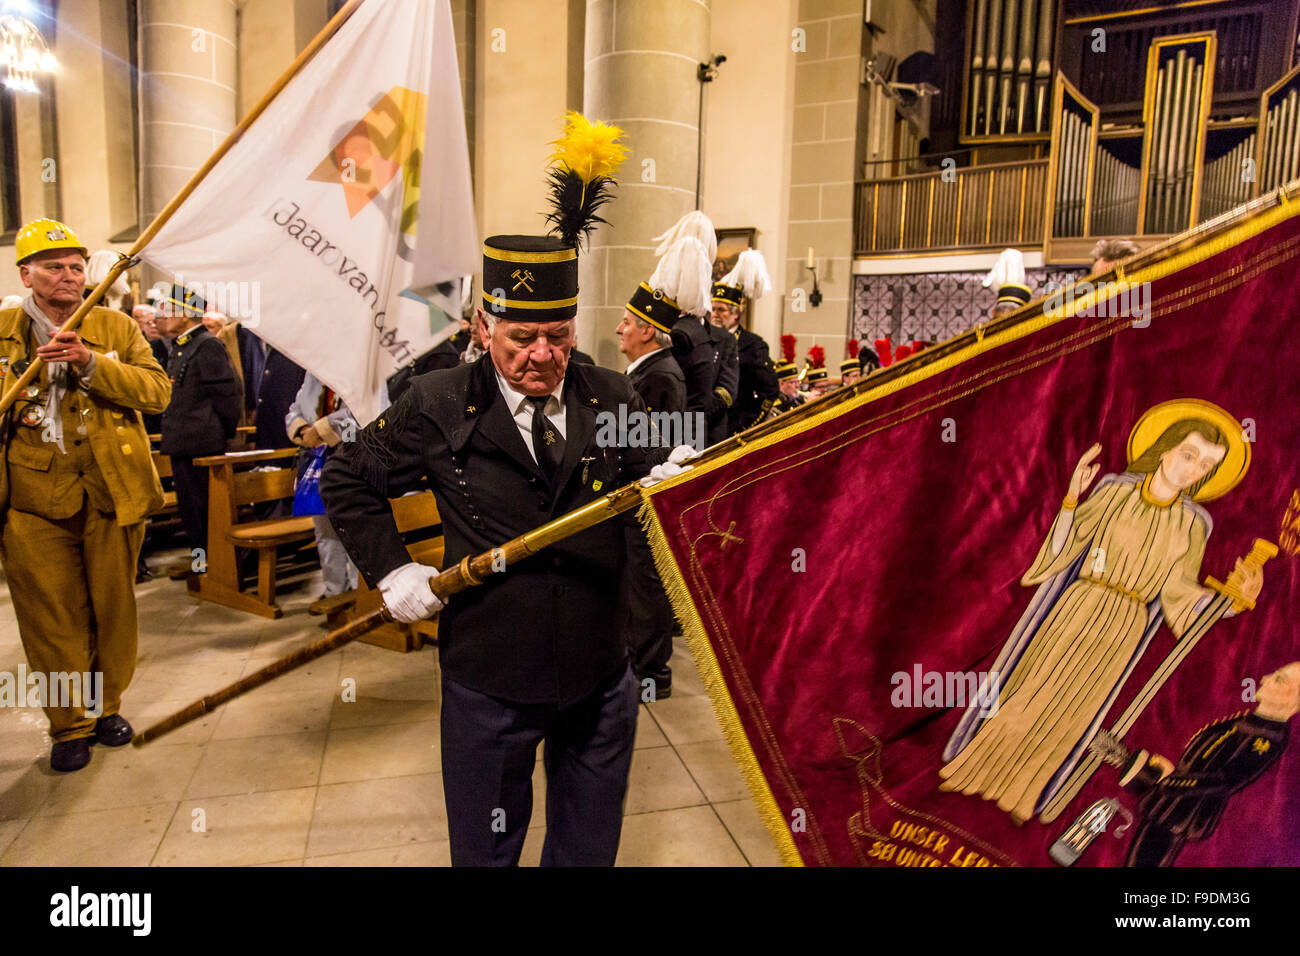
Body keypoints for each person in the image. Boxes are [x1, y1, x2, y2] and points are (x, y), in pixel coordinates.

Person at [322, 230, 690, 867]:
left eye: (560, 333)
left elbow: (658, 467)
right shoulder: (436, 400)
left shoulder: (613, 394)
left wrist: (677, 478)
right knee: (486, 849)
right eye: (523, 338)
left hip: (599, 669)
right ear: (484, 326)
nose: (543, 355)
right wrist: (391, 569)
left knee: (588, 845)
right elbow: (349, 475)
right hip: (488, 675)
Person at [941, 404, 1263, 823]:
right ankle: (975, 771)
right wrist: (1073, 496)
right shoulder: (1115, 491)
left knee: (1073, 713)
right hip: (1079, 606)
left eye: (1205, 465)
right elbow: (1067, 544)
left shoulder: (1193, 525)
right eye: (1189, 454)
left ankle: (1021, 794)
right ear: (1165, 449)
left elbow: (1181, 595)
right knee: (1029, 692)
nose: (1193, 470)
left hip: (1123, 628)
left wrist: (1235, 601)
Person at [0, 219, 170, 772]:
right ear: (25, 274)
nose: (69, 276)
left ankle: (106, 709)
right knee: (51, 615)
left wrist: (92, 364)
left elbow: (158, 392)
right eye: (54, 266)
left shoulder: (115, 327)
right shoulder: (3, 329)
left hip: (109, 487)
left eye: (76, 266)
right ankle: (69, 724)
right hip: (29, 496)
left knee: (113, 608)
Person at [1094, 662, 1298, 867]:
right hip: (1166, 805)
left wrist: (1170, 779)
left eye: (1279, 679)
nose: (1264, 679)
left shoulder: (1268, 739)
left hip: (1180, 814)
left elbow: (1224, 781)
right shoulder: (1246, 720)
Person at [615, 262, 699, 700]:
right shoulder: (651, 371)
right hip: (639, 497)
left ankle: (650, 676)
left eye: (627, 323)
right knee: (639, 586)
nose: (619, 329)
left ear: (648, 331)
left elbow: (649, 445)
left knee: (646, 589)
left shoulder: (659, 376)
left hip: (646, 497)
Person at [155, 284, 243, 555]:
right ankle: (201, 563)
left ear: (184, 314)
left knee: (204, 511)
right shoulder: (184, 346)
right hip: (184, 443)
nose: (163, 317)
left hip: (202, 445)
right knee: (190, 512)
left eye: (168, 310)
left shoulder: (207, 345)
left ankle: (213, 564)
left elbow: (227, 394)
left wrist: (220, 433)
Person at [286, 372, 366, 605]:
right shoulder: (314, 373)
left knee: (354, 529)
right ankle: (334, 590)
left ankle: (358, 591)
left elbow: (366, 414)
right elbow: (294, 410)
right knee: (325, 530)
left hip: (352, 459)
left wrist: (323, 429)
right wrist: (303, 430)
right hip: (317, 459)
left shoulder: (358, 368)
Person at [710, 250, 778, 434]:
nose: (715, 314)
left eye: (721, 310)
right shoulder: (705, 340)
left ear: (735, 314)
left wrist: (746, 426)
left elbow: (770, 391)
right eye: (713, 309)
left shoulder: (753, 345)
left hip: (733, 427)